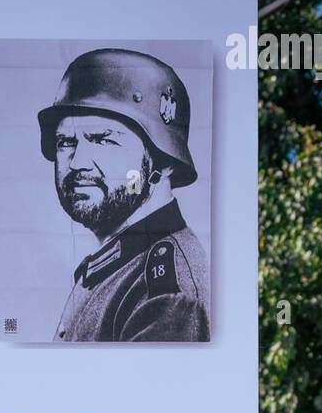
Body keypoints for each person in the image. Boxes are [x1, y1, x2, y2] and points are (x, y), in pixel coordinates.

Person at [38, 48, 210, 343]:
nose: (77, 162)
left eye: (103, 139)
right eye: (66, 142)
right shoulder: (116, 267)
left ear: (164, 161)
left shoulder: (166, 294)